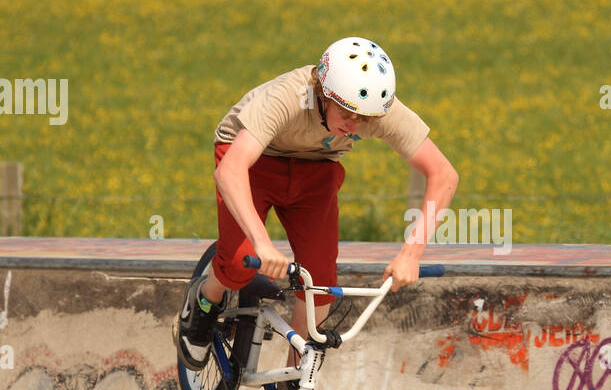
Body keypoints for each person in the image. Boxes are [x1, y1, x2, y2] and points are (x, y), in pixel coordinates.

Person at [178, 36, 459, 370]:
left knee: (321, 284)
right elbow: (231, 170)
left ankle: (295, 375)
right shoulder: (287, 98)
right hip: (254, 160)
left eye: (364, 118)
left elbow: (444, 175)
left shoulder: (376, 110)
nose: (354, 125)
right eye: (346, 113)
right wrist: (263, 243)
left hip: (317, 168)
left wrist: (411, 253)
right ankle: (204, 301)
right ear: (324, 94)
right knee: (241, 262)